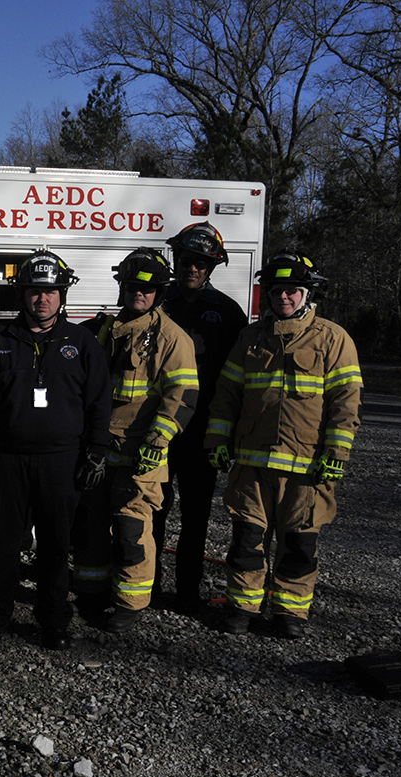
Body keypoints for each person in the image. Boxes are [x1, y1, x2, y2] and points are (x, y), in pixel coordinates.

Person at [205, 253, 362, 639]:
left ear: (308, 294)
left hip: (306, 467)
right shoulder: (250, 338)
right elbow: (227, 394)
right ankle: (241, 607)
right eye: (277, 291)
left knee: (299, 543)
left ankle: (290, 612)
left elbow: (346, 402)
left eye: (293, 290)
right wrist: (217, 439)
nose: (284, 297)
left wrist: (336, 454)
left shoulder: (332, 338)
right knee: (247, 540)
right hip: (252, 464)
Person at [0, 249, 111, 649]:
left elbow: (99, 403)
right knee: (2, 543)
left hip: (61, 462)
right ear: (22, 294)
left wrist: (97, 451)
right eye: (34, 291)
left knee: (56, 545)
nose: (41, 299)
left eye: (50, 292)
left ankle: (53, 621)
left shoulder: (82, 343)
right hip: (6, 460)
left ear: (62, 295)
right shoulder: (0, 340)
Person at [73, 248, 198, 634]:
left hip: (141, 452)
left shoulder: (172, 338)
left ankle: (130, 602)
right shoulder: (105, 330)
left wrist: (157, 442)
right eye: (131, 287)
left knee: (132, 529)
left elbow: (182, 397)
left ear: (160, 292)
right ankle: (90, 590)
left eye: (147, 288)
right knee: (91, 524)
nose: (138, 293)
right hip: (99, 449)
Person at [153, 223, 249, 608]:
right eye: (186, 260)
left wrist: (228, 435)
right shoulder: (157, 303)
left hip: (202, 434)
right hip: (157, 430)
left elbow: (238, 382)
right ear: (176, 260)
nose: (192, 268)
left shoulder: (228, 314)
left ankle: (187, 592)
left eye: (201, 263)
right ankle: (146, 587)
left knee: (196, 517)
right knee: (152, 510)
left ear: (212, 267)